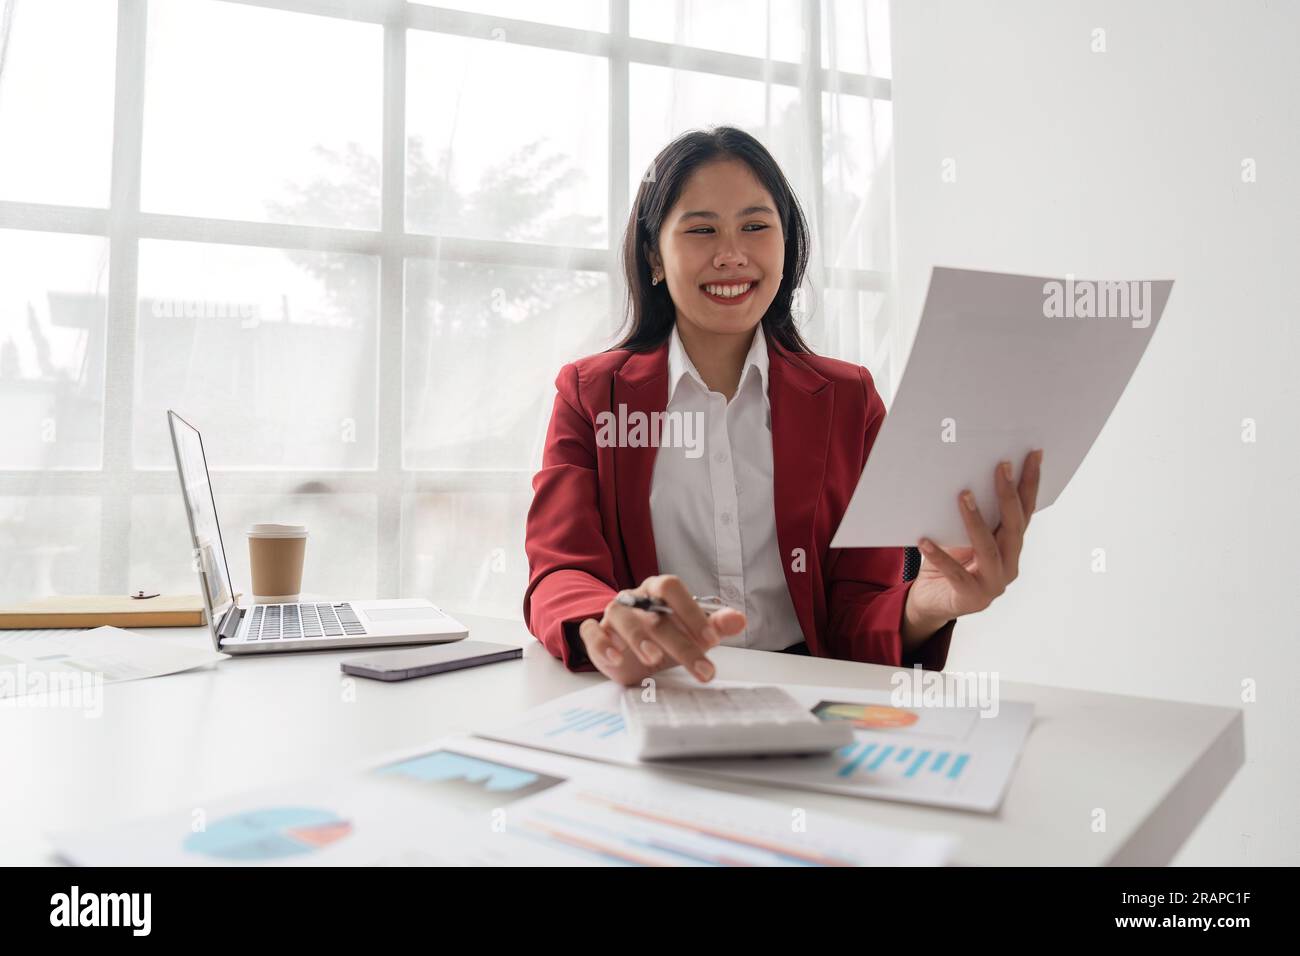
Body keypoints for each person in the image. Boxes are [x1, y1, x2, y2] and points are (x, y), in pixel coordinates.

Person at [523, 126, 1042, 687]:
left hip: (809, 699)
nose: (731, 254)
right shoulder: (592, 394)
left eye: (755, 226)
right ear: (654, 253)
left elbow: (856, 613)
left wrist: (925, 605)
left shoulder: (850, 401)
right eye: (701, 230)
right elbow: (561, 569)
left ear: (787, 243)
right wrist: (607, 625)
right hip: (657, 689)